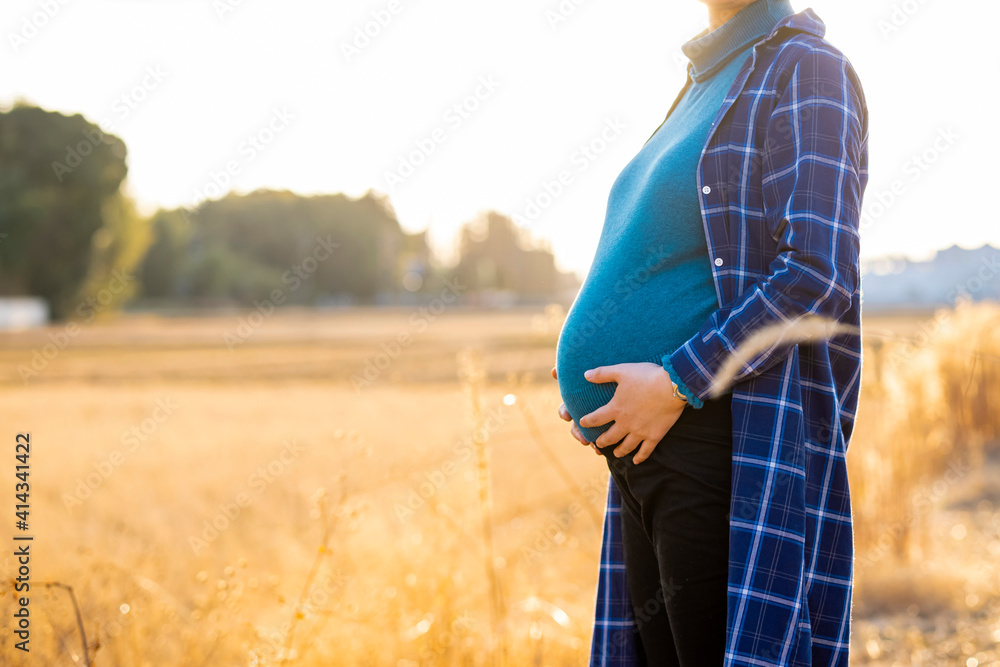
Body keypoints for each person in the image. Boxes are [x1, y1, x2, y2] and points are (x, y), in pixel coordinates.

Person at [551, 0, 869, 665]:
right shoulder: (703, 80)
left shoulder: (806, 70)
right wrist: (595, 367)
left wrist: (676, 379)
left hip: (719, 438)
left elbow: (816, 272)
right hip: (648, 451)